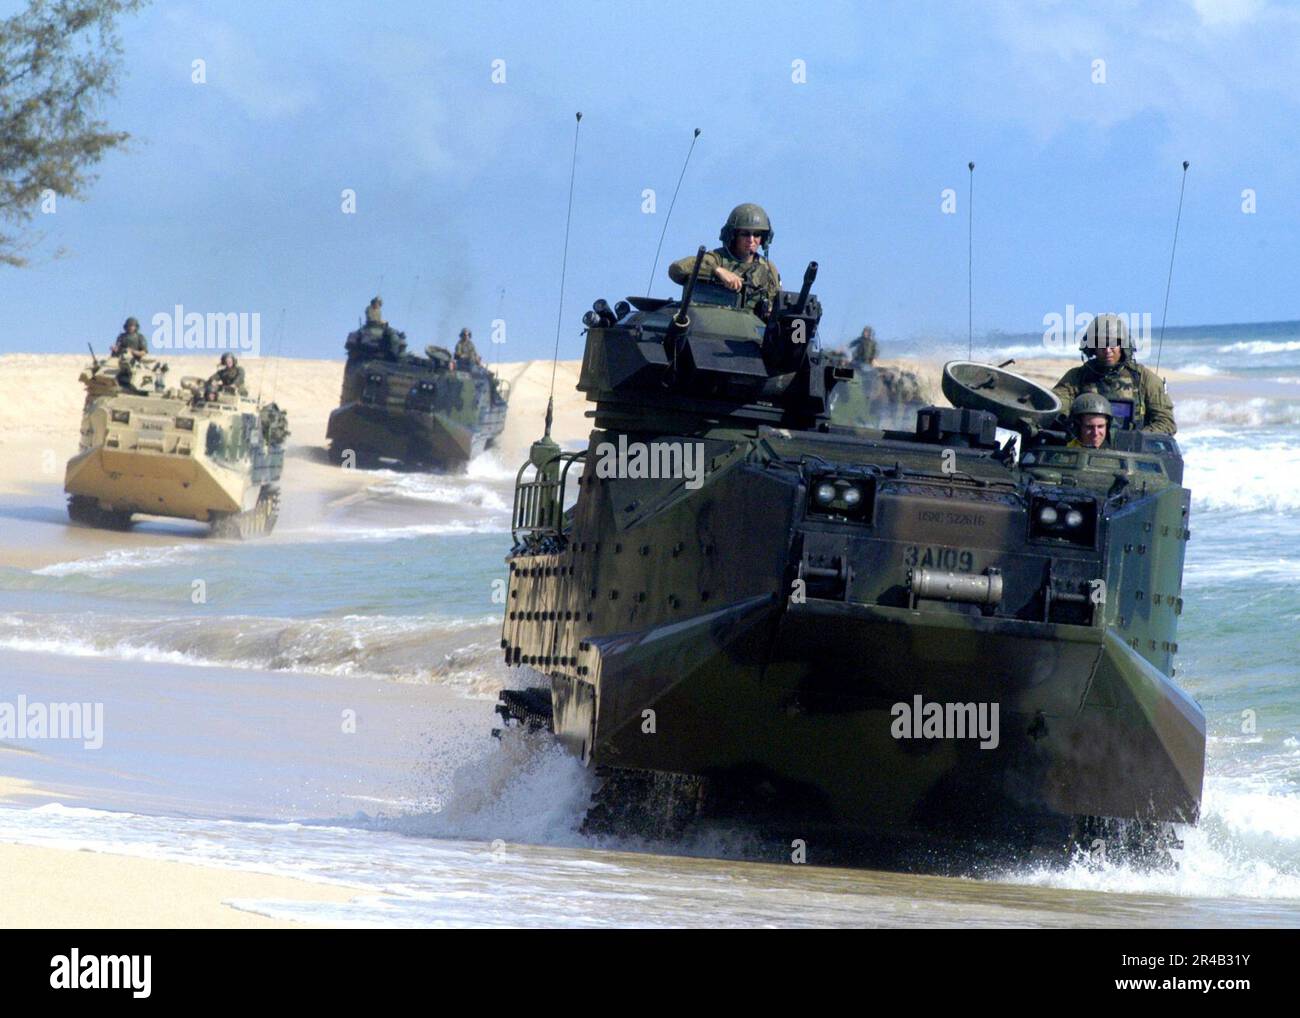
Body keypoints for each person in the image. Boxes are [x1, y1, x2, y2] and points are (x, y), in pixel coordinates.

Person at [1052, 314, 1176, 434]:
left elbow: (1166, 422)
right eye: (1101, 344)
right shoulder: (1077, 377)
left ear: (1122, 345)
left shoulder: (1143, 378)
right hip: (1087, 443)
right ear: (1092, 347)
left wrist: (1136, 438)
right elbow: (1055, 408)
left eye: (1113, 343)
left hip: (1132, 446)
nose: (1107, 350)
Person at [668, 203, 781, 309]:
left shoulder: (768, 269)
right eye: (745, 234)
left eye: (756, 235)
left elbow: (777, 302)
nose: (751, 240)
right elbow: (677, 268)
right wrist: (717, 270)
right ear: (733, 236)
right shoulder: (717, 259)